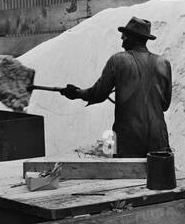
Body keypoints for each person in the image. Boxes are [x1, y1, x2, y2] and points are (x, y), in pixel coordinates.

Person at [63, 17, 173, 157]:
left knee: (127, 177)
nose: (122, 41)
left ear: (133, 38)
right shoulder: (163, 63)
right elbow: (165, 105)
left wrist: (76, 93)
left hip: (129, 137)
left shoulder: (119, 60)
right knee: (158, 176)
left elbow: (98, 93)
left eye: (124, 37)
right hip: (158, 137)